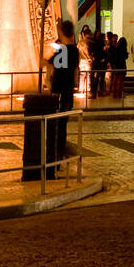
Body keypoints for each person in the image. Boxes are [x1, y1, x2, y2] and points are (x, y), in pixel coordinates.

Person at [49, 20, 79, 162]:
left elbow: (50, 65)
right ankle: (61, 152)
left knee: (56, 126)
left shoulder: (62, 51)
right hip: (67, 92)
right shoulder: (73, 50)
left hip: (58, 93)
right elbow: (74, 71)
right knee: (62, 125)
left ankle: (59, 153)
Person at [90, 29, 107, 99]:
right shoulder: (100, 43)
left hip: (97, 62)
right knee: (97, 77)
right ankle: (97, 92)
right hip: (98, 62)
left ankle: (95, 92)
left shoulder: (96, 43)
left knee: (96, 77)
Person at [110, 35, 128, 101]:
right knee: (120, 81)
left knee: (115, 80)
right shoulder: (124, 48)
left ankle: (114, 93)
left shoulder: (116, 48)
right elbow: (126, 57)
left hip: (116, 66)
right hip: (122, 66)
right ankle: (119, 94)